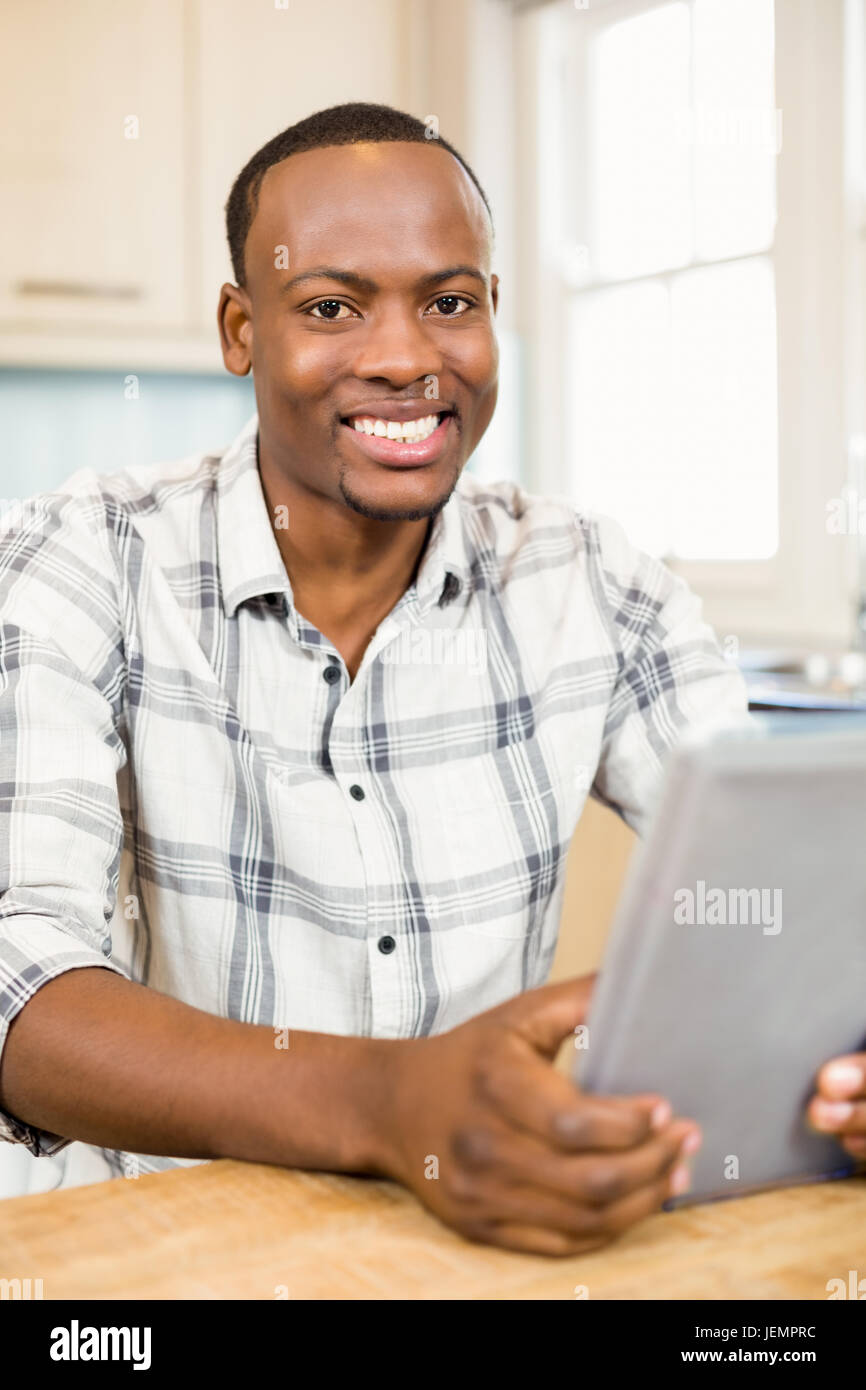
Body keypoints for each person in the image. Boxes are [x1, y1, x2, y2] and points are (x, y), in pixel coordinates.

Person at [1, 103, 859, 1258]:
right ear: (238, 329)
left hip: (484, 1232)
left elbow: (796, 903)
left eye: (448, 301)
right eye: (331, 307)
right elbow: (22, 991)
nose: (406, 357)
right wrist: (385, 1102)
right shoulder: (85, 557)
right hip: (179, 1235)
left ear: (493, 315)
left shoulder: (594, 581)